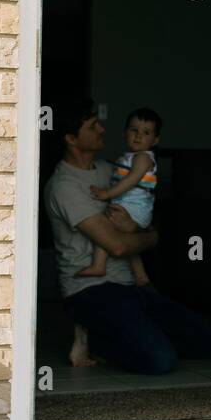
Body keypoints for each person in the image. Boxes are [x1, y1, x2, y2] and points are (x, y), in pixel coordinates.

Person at [43, 100, 211, 373]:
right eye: (93, 126)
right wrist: (150, 238)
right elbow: (116, 246)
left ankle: (136, 334)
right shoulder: (64, 186)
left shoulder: (111, 170)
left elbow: (139, 223)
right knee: (160, 360)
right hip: (89, 291)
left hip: (129, 286)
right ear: (71, 139)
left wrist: (140, 231)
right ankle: (99, 340)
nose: (102, 129)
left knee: (210, 344)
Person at [76, 106, 161, 286]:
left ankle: (99, 265)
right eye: (134, 130)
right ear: (125, 133)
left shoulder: (143, 158)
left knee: (106, 228)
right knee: (128, 242)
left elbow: (130, 181)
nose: (138, 136)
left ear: (155, 140)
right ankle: (141, 276)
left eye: (146, 132)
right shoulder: (129, 157)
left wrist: (107, 193)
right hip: (132, 206)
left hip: (134, 208)